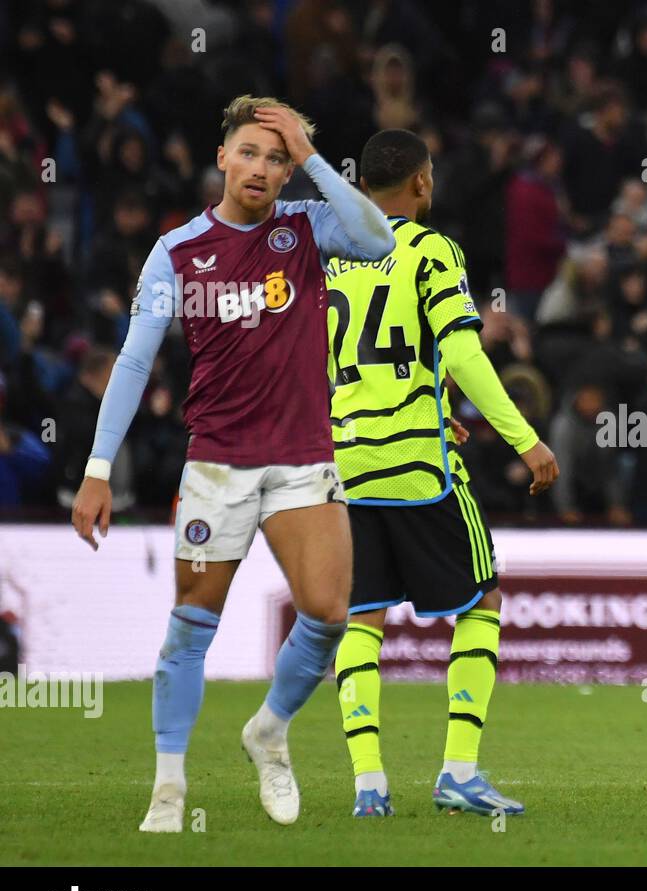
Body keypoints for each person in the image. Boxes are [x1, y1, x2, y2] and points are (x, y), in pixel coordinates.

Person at [70, 95, 397, 832]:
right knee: (192, 626)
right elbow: (132, 360)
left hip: (303, 459)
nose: (261, 167)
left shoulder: (308, 229)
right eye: (249, 151)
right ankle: (168, 789)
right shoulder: (177, 251)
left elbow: (379, 241)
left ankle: (269, 729)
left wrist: (314, 158)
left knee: (329, 613)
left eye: (276, 158)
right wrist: (97, 467)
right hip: (216, 465)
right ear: (222, 158)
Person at [325, 128, 557, 817]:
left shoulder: (332, 254)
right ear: (422, 184)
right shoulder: (430, 250)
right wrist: (526, 439)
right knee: (481, 602)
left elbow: (331, 365)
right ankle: (459, 772)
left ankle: (369, 785)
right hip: (420, 465)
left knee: (363, 614)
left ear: (363, 185)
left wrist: (428, 404)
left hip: (348, 461)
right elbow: (462, 355)